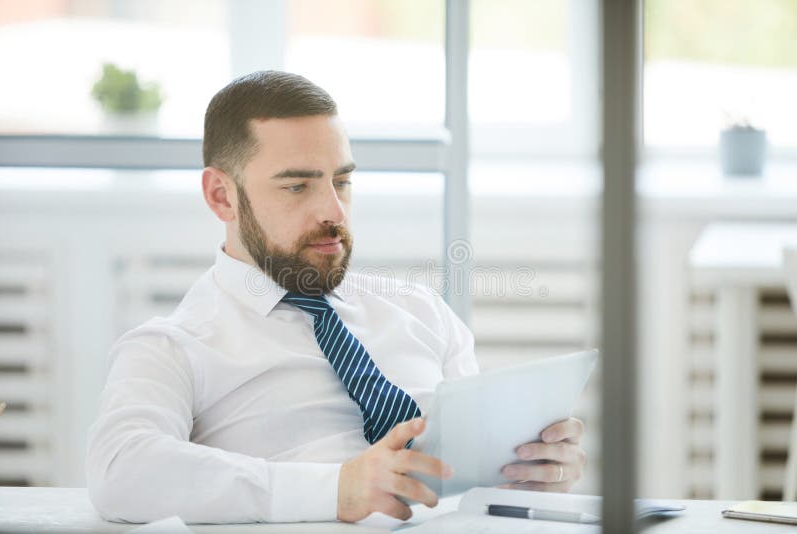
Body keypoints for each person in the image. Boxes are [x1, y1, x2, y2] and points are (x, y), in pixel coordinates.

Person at [85, 70, 587, 525]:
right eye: (297, 186)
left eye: (342, 181)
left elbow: (472, 487)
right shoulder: (172, 347)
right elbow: (121, 469)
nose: (334, 211)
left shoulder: (421, 313)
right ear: (222, 196)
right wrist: (336, 489)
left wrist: (525, 474)